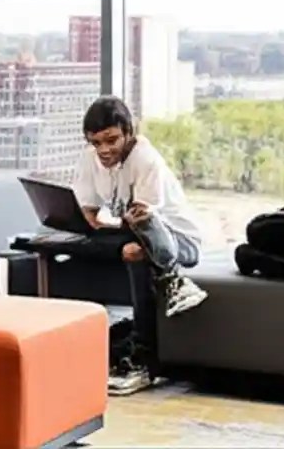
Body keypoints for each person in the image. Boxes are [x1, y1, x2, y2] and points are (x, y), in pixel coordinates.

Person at [71, 95, 208, 396]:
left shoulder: (147, 160)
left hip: (178, 241)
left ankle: (146, 363)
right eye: (96, 143)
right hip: (132, 232)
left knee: (137, 241)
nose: (104, 150)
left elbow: (143, 218)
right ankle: (172, 284)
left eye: (112, 140)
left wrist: (117, 228)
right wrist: (99, 224)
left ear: (129, 132)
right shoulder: (90, 158)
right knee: (105, 246)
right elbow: (89, 212)